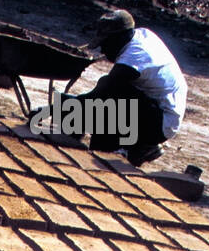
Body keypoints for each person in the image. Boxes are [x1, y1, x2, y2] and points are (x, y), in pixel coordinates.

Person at [78, 9, 188, 166]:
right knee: (105, 95)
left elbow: (99, 94)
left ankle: (129, 149)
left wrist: (57, 106)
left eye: (105, 43)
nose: (102, 50)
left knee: (108, 97)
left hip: (161, 122)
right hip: (156, 109)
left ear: (119, 38)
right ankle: (138, 145)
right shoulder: (141, 34)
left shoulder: (134, 56)